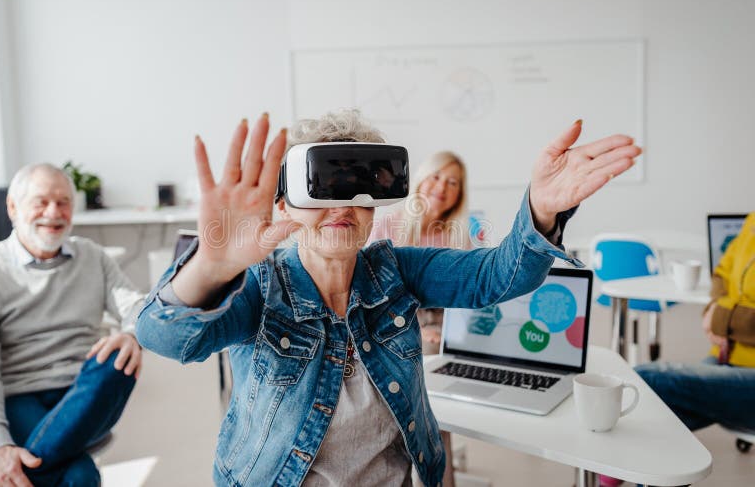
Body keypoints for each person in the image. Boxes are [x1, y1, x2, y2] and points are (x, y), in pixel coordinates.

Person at [136, 110, 640, 486]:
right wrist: (212, 267)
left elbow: (495, 278)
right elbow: (165, 338)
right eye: (324, 186)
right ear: (284, 204)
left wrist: (541, 211)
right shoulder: (260, 287)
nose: (342, 206)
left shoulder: (395, 269)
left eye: (359, 188)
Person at [0, 163, 145, 487]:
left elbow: (137, 306)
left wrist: (132, 334)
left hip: (85, 393)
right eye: (41, 202)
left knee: (118, 357)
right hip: (19, 394)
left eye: (63, 202)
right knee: (81, 476)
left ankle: (11, 477)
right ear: (13, 208)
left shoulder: (93, 257)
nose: (54, 212)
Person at [370, 150, 470, 486]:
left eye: (453, 182)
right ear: (421, 179)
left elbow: (466, 301)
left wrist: (444, 331)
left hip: (445, 329)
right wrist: (420, 328)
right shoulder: (387, 226)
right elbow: (373, 296)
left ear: (459, 194)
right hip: (393, 329)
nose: (442, 187)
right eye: (437, 176)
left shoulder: (457, 236)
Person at [634, 211, 755, 432]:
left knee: (646, 380)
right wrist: (720, 308)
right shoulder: (752, 221)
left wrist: (719, 317)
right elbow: (721, 274)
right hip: (726, 357)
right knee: (652, 413)